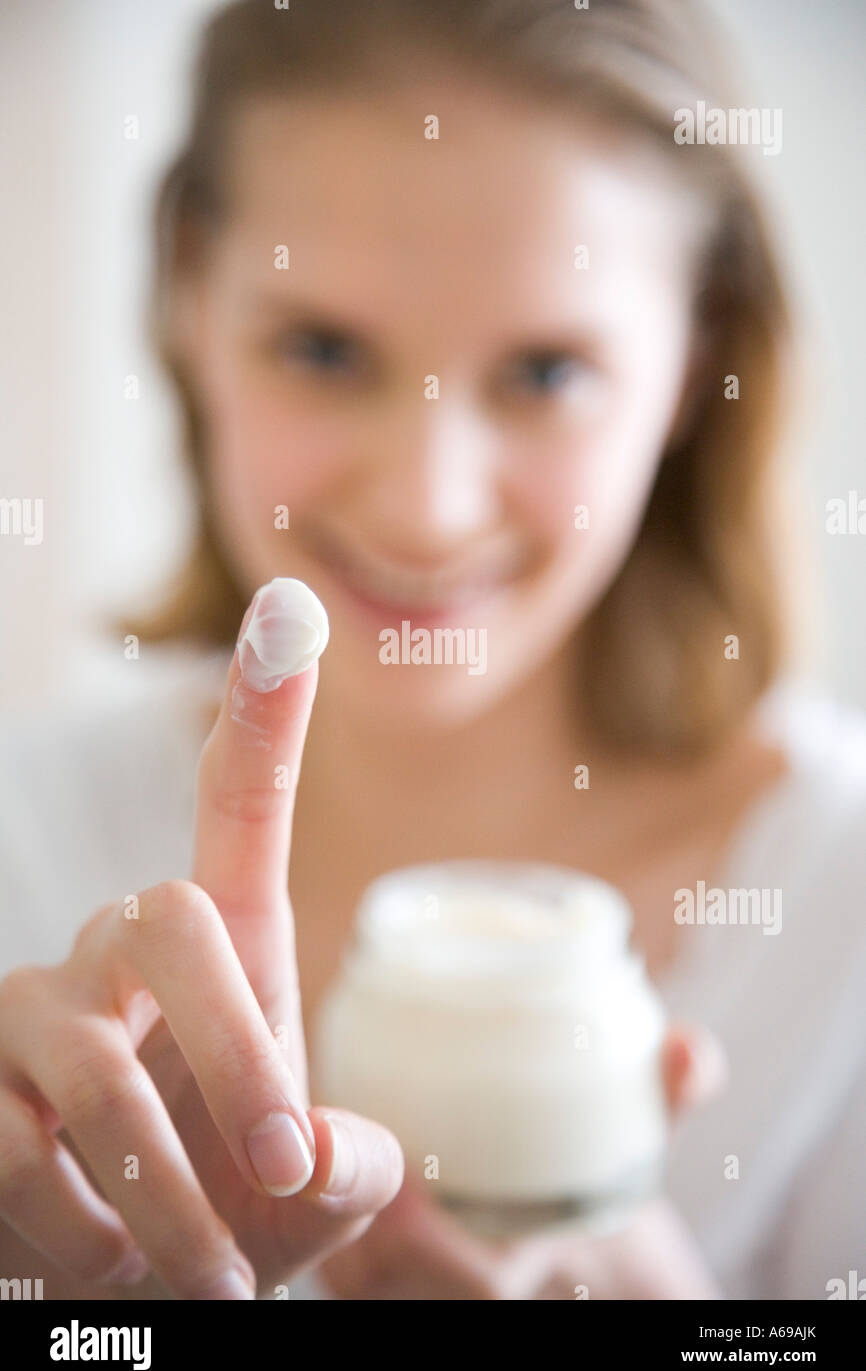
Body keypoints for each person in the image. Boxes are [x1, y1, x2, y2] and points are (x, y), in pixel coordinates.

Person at [1, 0, 864, 1301]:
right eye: (324, 349)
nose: (426, 503)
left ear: (692, 363)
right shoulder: (21, 834)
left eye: (546, 373)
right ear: (186, 294)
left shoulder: (836, 903)